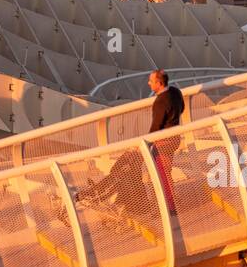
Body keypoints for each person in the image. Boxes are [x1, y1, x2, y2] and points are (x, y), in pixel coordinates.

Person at [76, 70, 182, 209]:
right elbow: (181, 109)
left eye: (151, 81)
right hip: (174, 136)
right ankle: (163, 203)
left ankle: (169, 206)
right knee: (162, 171)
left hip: (163, 140)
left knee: (161, 172)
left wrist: (142, 145)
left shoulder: (160, 102)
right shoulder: (175, 92)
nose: (149, 83)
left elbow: (156, 127)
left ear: (159, 83)